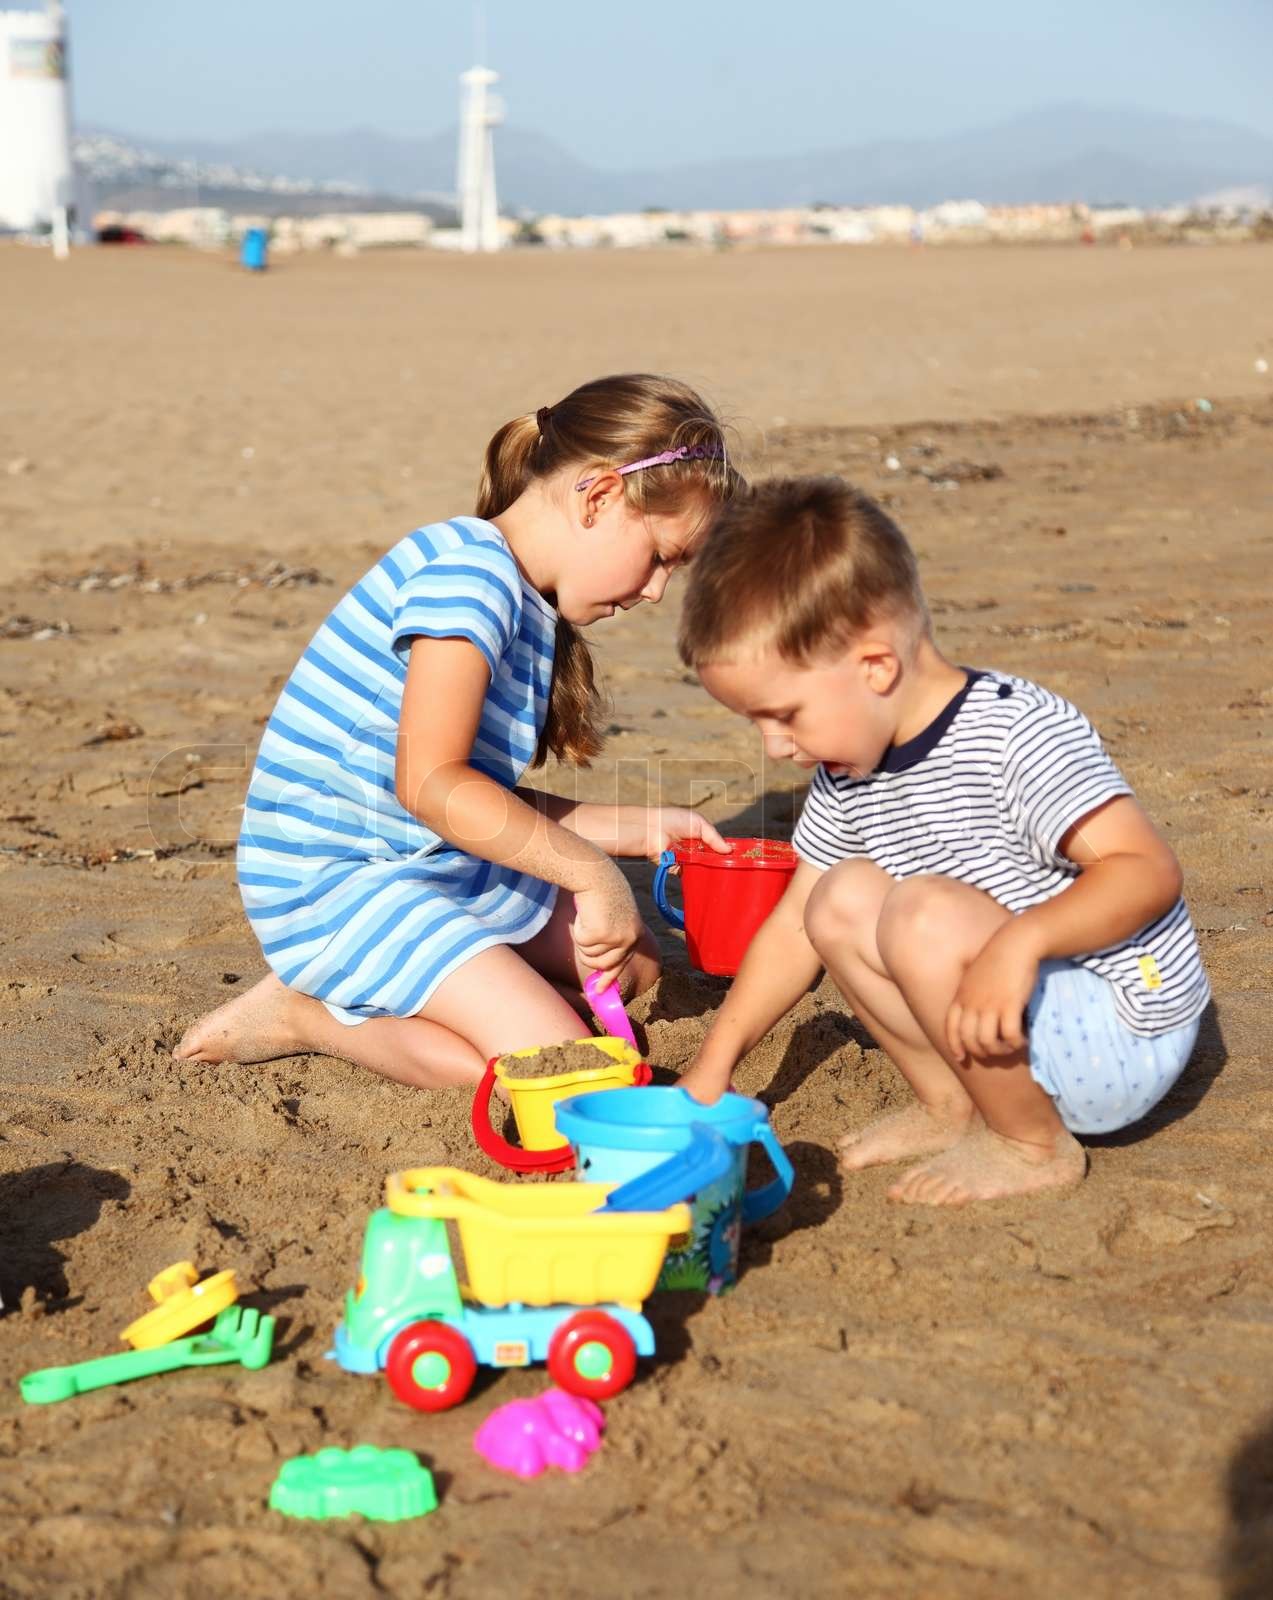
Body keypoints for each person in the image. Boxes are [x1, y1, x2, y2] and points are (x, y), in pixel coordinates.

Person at [175, 374, 741, 1088]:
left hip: (427, 862)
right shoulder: (468, 576)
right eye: (661, 556)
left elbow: (476, 799)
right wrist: (592, 873)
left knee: (631, 968)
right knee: (559, 1066)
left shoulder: (530, 605)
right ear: (598, 496)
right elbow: (431, 785)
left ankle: (445, 993)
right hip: (341, 885)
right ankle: (308, 1014)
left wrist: (639, 828)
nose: (656, 589)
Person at [675, 477, 1208, 1205]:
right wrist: (715, 1061)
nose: (774, 747)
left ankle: (1029, 1144)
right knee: (834, 898)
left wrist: (1018, 945)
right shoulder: (847, 769)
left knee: (919, 912)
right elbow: (797, 926)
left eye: (785, 715)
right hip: (1007, 1022)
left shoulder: (1017, 734)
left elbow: (1145, 871)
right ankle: (952, 1106)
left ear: (875, 666)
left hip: (1118, 1026)